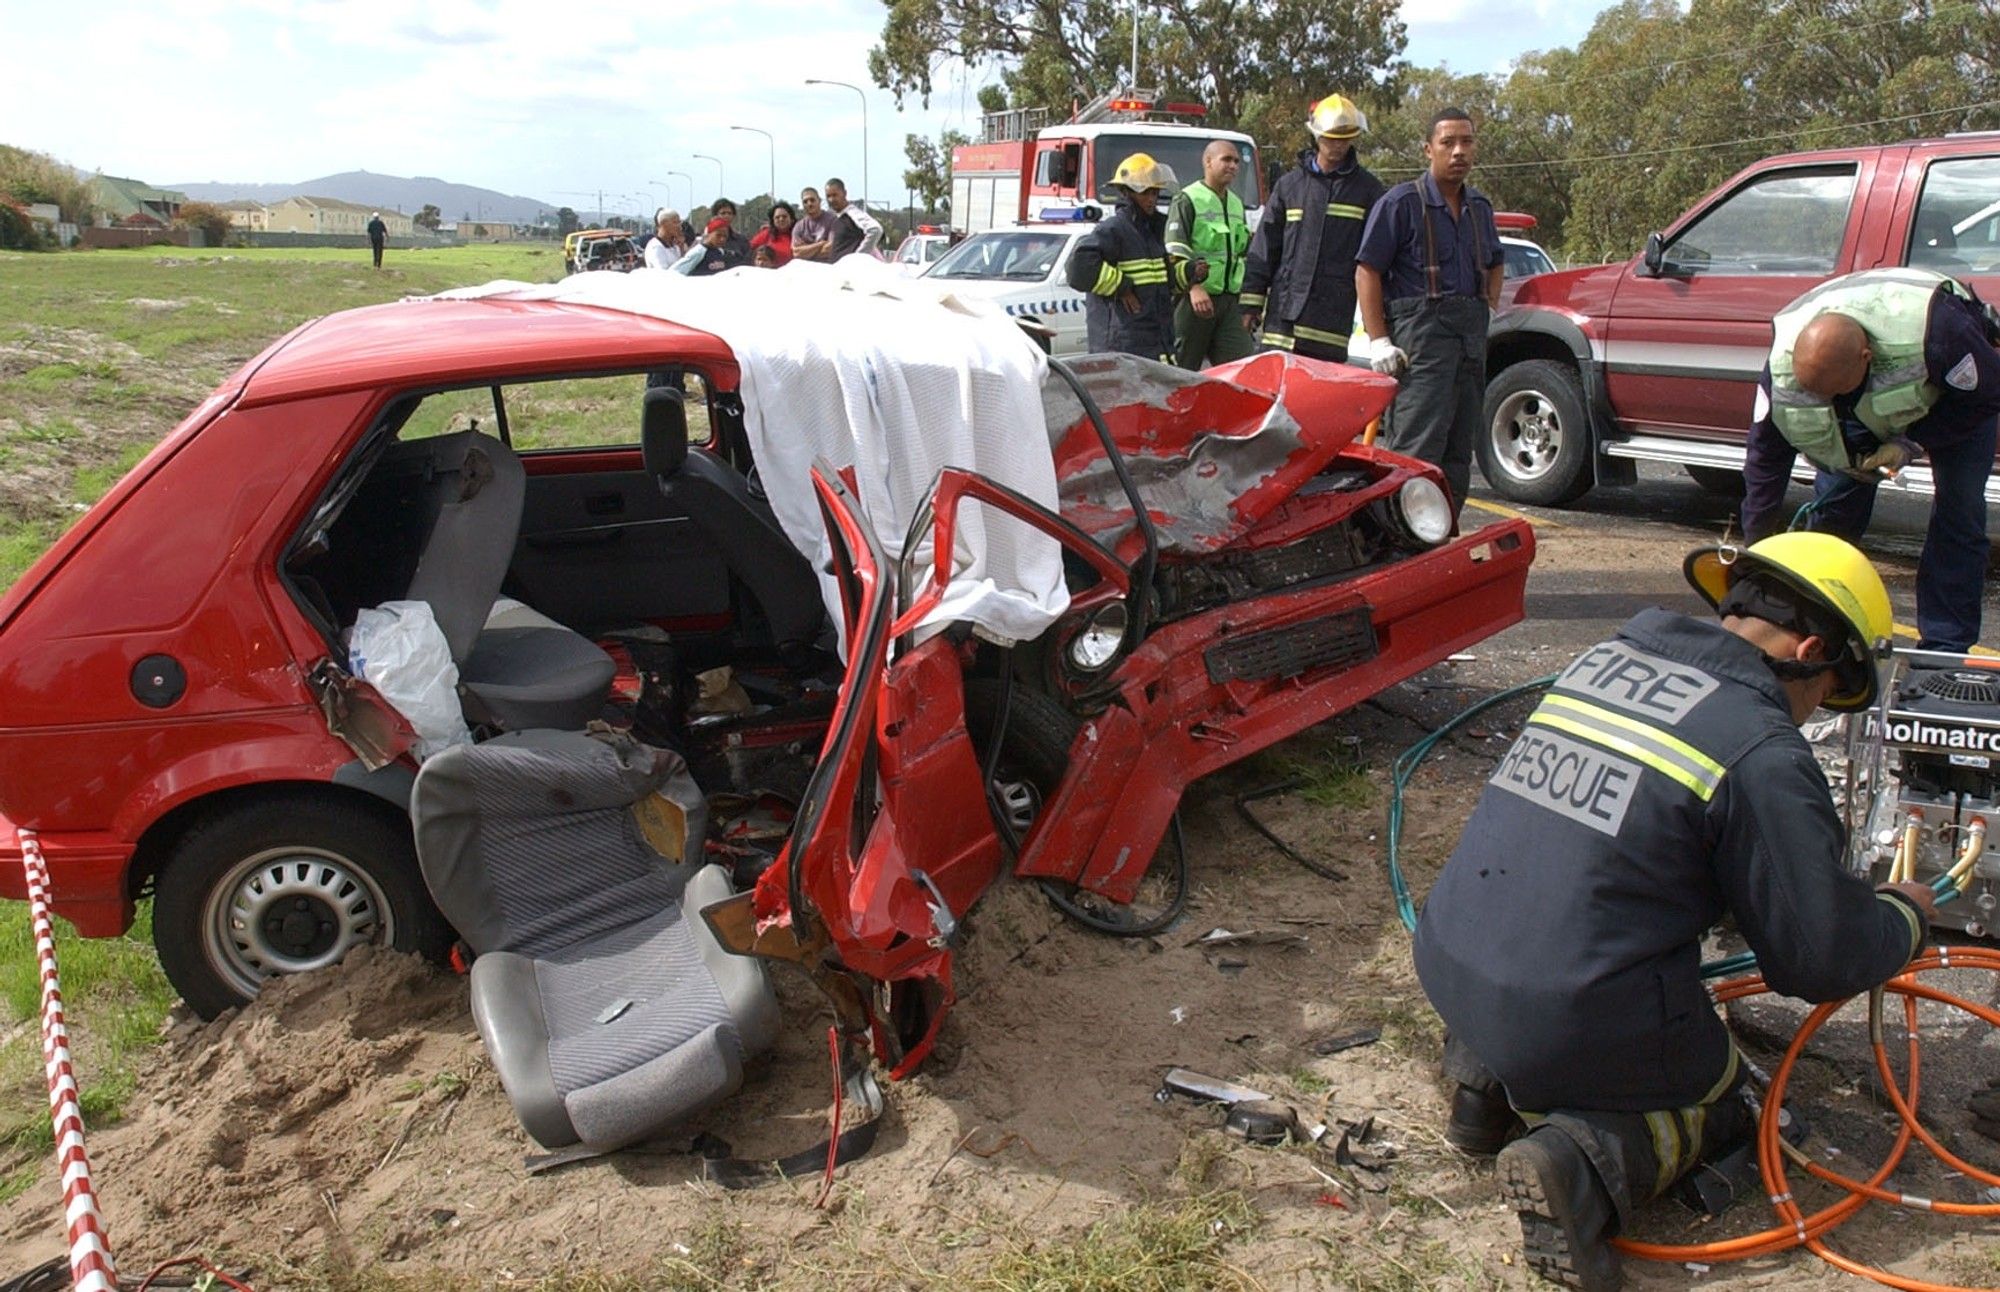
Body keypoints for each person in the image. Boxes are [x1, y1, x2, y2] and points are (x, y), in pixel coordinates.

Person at [1413, 532, 1935, 1292]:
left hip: (1453, 961)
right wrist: (1902, 918)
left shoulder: (1605, 660)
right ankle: (1582, 1164)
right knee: (1730, 1091)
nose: (1813, 712)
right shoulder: (1760, 746)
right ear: (1811, 651)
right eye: (1826, 693)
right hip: (1566, 1010)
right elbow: (1818, 959)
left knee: (1551, 976)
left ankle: (1481, 1090)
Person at [1741, 267, 2000, 652]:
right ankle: (1815, 623)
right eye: (1817, 394)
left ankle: (1945, 645)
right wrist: (1758, 548)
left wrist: (1911, 443)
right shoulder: (1782, 369)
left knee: (1958, 511)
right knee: (1836, 510)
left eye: (1834, 391)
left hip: (1954, 400)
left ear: (1867, 358)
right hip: (1870, 403)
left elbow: (1988, 396)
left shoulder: (1945, 334)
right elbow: (1765, 459)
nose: (1825, 401)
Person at [1356, 107, 1504, 516]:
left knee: (1458, 453)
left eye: (1467, 142)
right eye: (1448, 143)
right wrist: (1379, 340)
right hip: (1422, 347)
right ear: (1428, 149)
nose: (1459, 151)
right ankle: (1399, 540)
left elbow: (1495, 261)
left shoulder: (1480, 207)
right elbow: (1367, 270)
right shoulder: (1400, 204)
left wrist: (1491, 307)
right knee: (1415, 451)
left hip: (1470, 345)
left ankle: (1442, 536)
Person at [1241, 94, 1385, 365]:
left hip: (1330, 323)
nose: (1338, 145)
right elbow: (1265, 248)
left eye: (1345, 139)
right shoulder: (1289, 186)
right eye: (1331, 138)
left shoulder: (1368, 191)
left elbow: (1377, 258)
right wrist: (1251, 302)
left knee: (1320, 390)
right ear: (1316, 136)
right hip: (1282, 322)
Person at [1065, 153, 1199, 360]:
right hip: (1122, 344)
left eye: (1155, 192)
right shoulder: (1114, 229)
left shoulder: (1156, 230)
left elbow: (1163, 282)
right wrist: (1121, 287)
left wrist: (1189, 272)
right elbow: (1078, 269)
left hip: (1157, 340)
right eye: (1145, 193)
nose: (1151, 199)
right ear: (1125, 192)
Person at [1164, 140, 1256, 370]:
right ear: (1208, 162)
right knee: (1181, 371)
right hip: (1194, 301)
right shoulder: (1187, 199)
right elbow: (1174, 250)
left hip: (1229, 302)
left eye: (1236, 161)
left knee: (1243, 369)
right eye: (1226, 159)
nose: (1233, 166)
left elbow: (1241, 253)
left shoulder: (1236, 204)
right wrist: (1193, 287)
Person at [824, 178, 883, 260]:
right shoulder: (838, 218)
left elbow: (875, 229)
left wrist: (857, 257)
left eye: (835, 195)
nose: (831, 200)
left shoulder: (853, 214)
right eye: (828, 196)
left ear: (844, 193)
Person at [703, 198, 753, 270]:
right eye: (723, 213)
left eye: (729, 213)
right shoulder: (706, 241)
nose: (727, 216)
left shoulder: (741, 240)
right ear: (715, 216)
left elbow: (748, 262)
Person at [793, 187, 838, 262]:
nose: (809, 204)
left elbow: (830, 249)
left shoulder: (833, 220)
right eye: (805, 202)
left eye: (812, 200)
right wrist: (821, 244)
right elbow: (796, 253)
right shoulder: (799, 226)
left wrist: (806, 251)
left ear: (819, 201)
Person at [751, 200, 797, 266]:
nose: (781, 219)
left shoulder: (799, 234)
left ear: (792, 219)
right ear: (773, 221)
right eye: (777, 217)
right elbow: (749, 248)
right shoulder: (766, 234)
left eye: (784, 216)